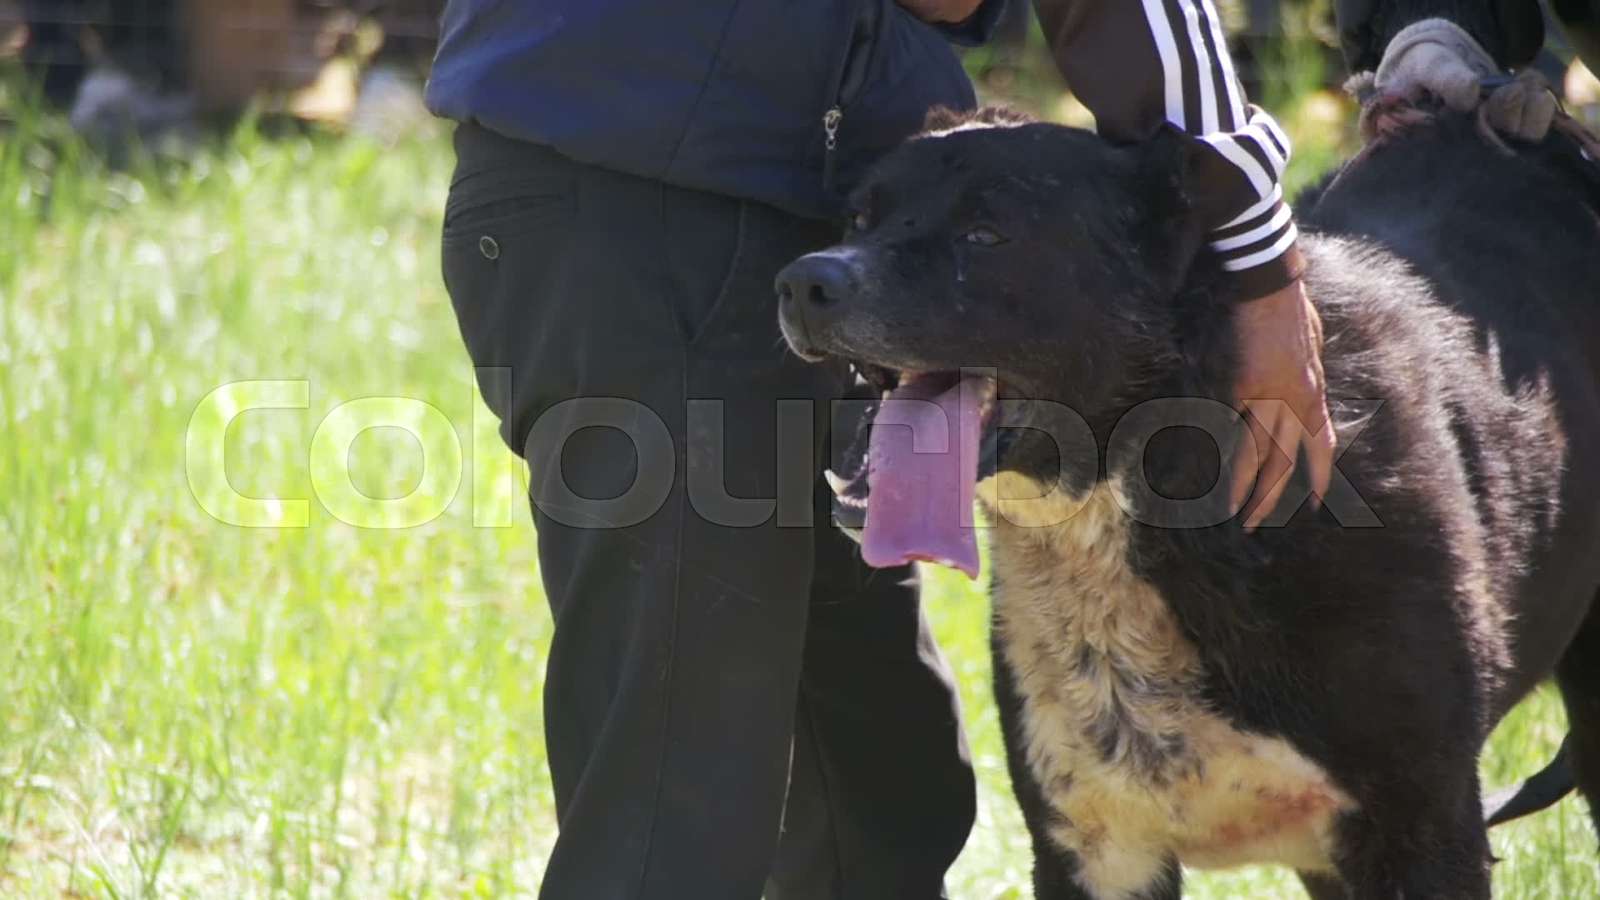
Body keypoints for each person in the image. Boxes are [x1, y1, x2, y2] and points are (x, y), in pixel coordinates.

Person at [425, 1, 1342, 897]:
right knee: (681, 801)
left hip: (819, 209)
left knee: (878, 789)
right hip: (651, 195)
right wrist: (1256, 262)